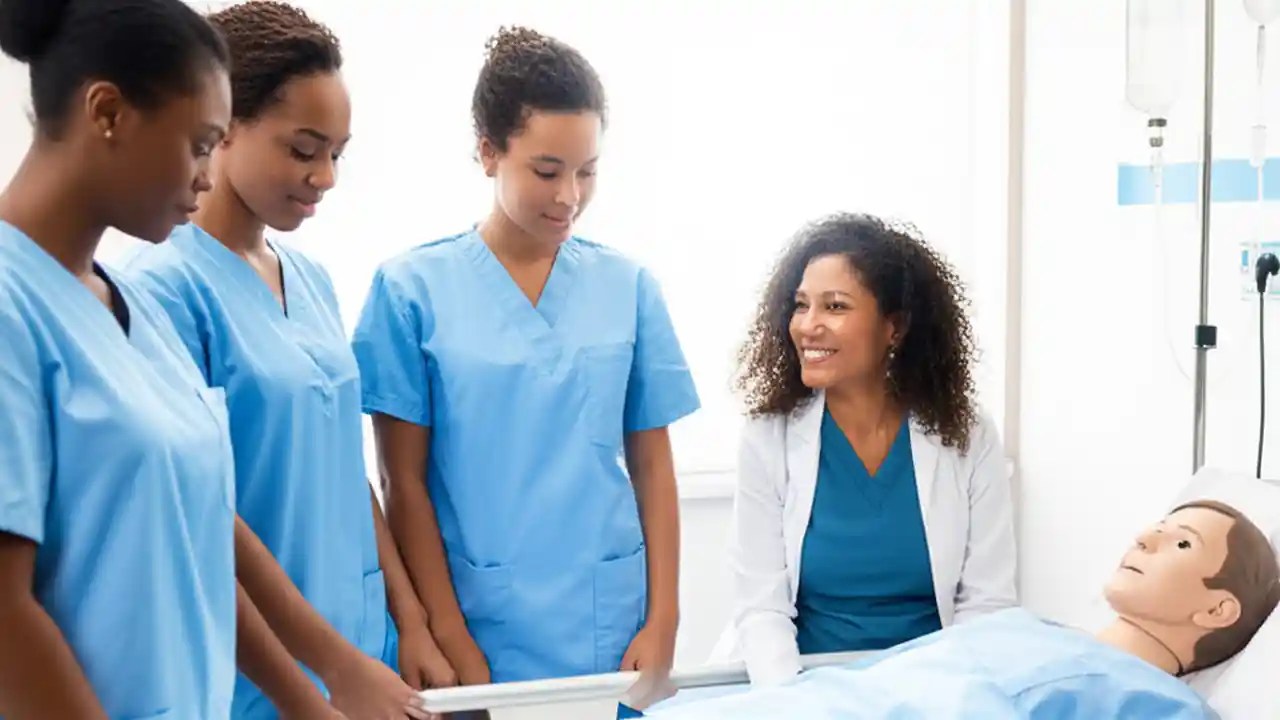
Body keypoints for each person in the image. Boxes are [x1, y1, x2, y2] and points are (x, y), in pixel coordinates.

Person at [351, 24, 700, 716]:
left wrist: (665, 620)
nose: (569, 194)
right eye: (547, 170)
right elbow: (403, 482)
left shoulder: (628, 287)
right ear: (487, 152)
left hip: (611, 623)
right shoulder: (409, 289)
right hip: (477, 624)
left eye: (588, 170)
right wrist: (447, 632)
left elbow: (653, 465)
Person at [124, 2, 439, 719]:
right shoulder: (163, 291)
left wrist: (410, 622)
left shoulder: (313, 280)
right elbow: (196, 518)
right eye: (303, 150)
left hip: (368, 652)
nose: (324, 176)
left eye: (337, 152)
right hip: (259, 678)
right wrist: (325, 672)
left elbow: (343, 469)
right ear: (223, 126)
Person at [0, 0, 239, 717]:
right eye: (201, 144)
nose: (208, 176)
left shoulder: (136, 307)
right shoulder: (11, 306)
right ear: (107, 111)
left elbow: (196, 544)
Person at [713, 212, 1017, 686]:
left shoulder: (968, 433)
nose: (807, 326)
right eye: (800, 305)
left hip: (937, 686)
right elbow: (761, 606)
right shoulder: (767, 436)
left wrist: (951, 700)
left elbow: (987, 602)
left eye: (834, 307)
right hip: (803, 687)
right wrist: (798, 708)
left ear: (893, 327)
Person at [651, 499, 1280, 719]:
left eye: (1181, 543)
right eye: (1157, 525)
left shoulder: (1163, 707)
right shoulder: (1020, 626)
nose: (1144, 538)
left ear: (1219, 609)